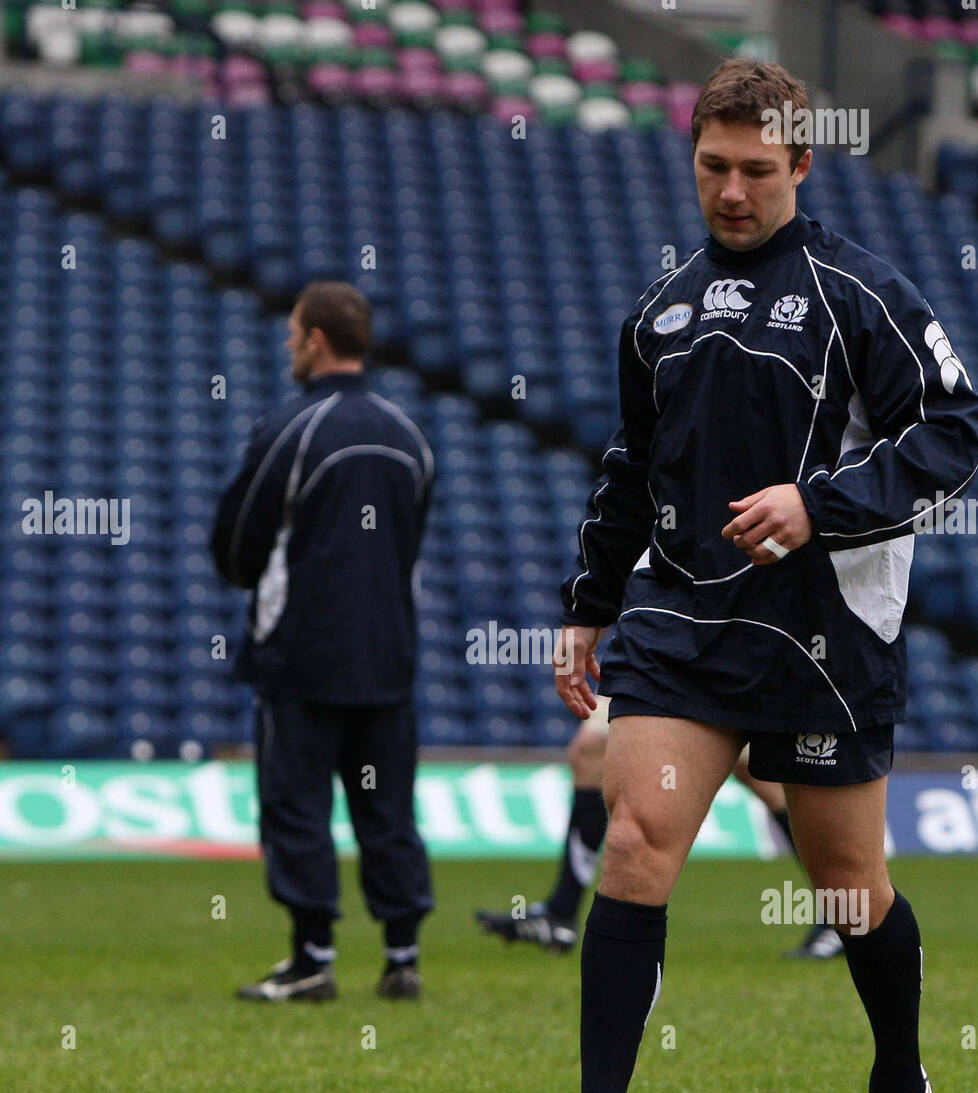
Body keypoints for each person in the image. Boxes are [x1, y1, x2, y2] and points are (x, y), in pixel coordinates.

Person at [554, 59, 978, 1093]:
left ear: (799, 163)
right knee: (636, 845)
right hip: (679, 621)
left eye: (754, 169)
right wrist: (588, 607)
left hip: (824, 634)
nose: (731, 190)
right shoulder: (660, 309)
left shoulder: (859, 293)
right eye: (712, 166)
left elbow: (950, 435)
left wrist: (816, 505)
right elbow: (630, 461)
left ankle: (897, 1077)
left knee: (845, 886)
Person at [211, 281, 434, 1001]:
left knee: (296, 805)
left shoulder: (292, 428)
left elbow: (239, 542)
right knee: (389, 809)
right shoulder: (409, 433)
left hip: (302, 656)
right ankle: (402, 957)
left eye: (292, 333)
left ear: (315, 340)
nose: (287, 346)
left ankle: (312, 959)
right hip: (389, 658)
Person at [475, 692, 843, 958]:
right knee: (590, 750)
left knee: (759, 774)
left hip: (720, 645)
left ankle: (838, 914)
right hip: (666, 647)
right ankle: (560, 912)